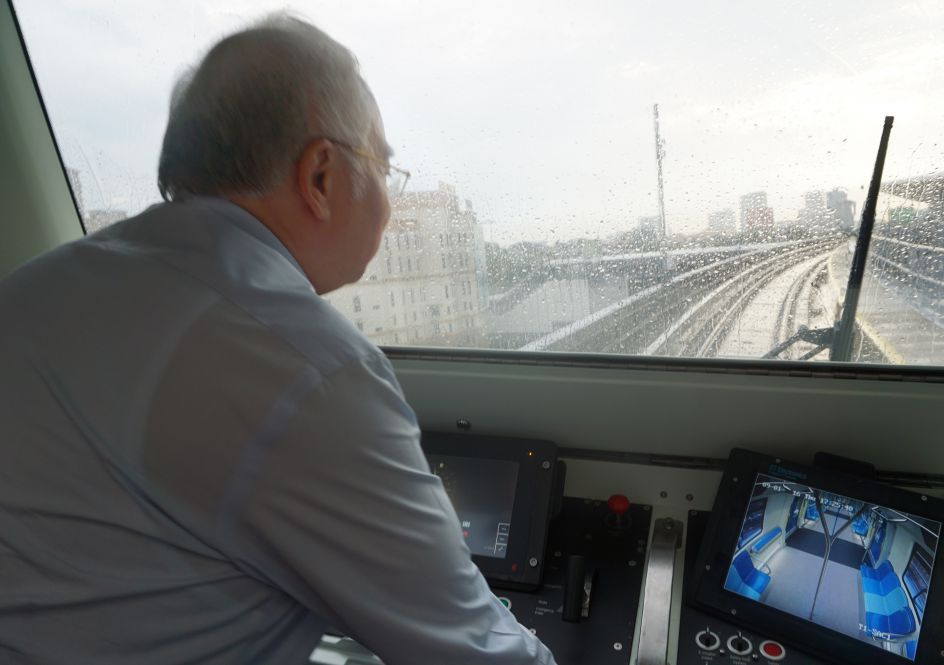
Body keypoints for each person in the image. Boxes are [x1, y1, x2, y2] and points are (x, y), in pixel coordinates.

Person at [0, 13, 555, 665]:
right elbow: (473, 652)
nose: (389, 197)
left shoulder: (33, 288)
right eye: (384, 166)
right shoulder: (307, 371)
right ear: (321, 176)